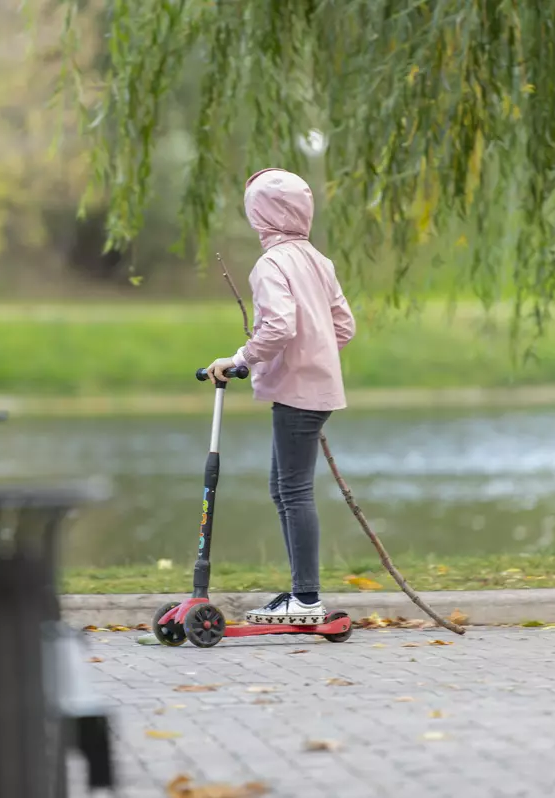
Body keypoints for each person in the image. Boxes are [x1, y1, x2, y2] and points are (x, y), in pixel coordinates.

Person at [205, 168, 356, 625]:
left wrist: (241, 360)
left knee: (292, 490)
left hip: (298, 391)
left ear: (260, 216)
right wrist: (317, 355)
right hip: (318, 387)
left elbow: (278, 327)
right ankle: (299, 593)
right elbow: (343, 327)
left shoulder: (271, 265)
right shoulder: (319, 261)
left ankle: (306, 599)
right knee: (285, 488)